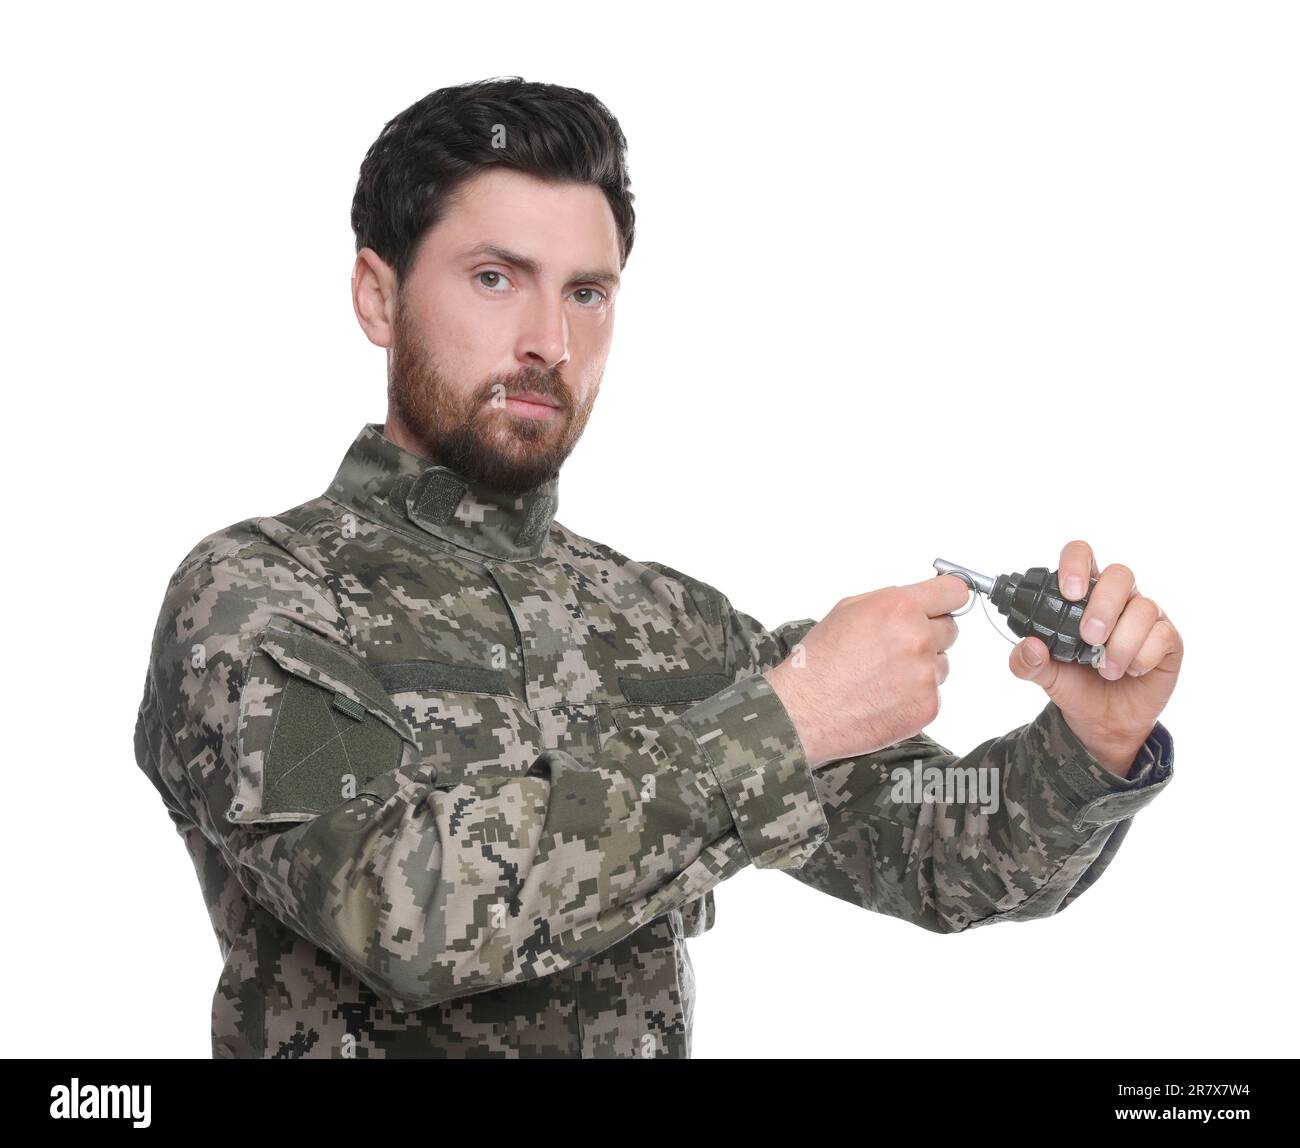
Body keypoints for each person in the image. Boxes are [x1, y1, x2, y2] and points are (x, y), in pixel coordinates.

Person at [133, 76, 1180, 1059]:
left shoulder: (662, 621)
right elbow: (398, 905)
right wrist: (793, 714)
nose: (548, 338)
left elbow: (941, 846)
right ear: (378, 295)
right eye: (495, 278)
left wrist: (1089, 740)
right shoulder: (258, 594)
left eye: (586, 292)